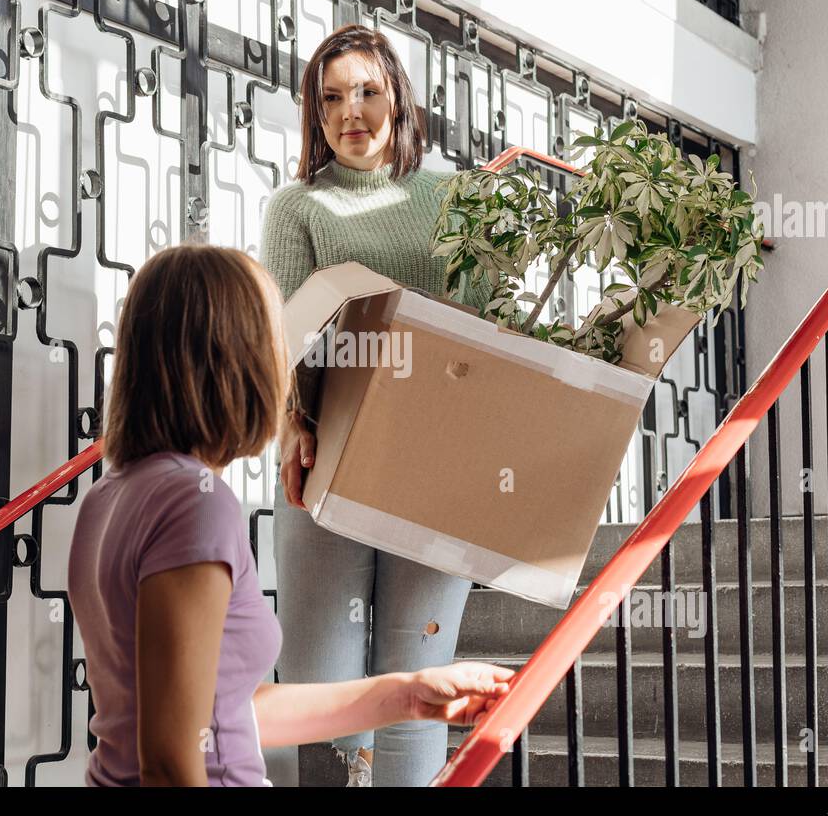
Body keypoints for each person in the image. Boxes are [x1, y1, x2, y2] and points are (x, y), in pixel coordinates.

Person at [67, 244, 511, 787]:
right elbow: (167, 760)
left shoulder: (106, 499)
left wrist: (410, 695)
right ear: (232, 356)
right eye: (275, 334)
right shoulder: (192, 503)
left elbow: (228, 714)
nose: (287, 356)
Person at [260, 23, 492, 786]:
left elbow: (487, 323)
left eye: (365, 90)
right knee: (323, 682)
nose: (349, 112)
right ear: (315, 116)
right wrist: (293, 422)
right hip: (329, 458)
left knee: (419, 680)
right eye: (330, 99)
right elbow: (290, 328)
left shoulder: (453, 197)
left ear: (396, 92)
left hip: (439, 462)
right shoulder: (298, 206)